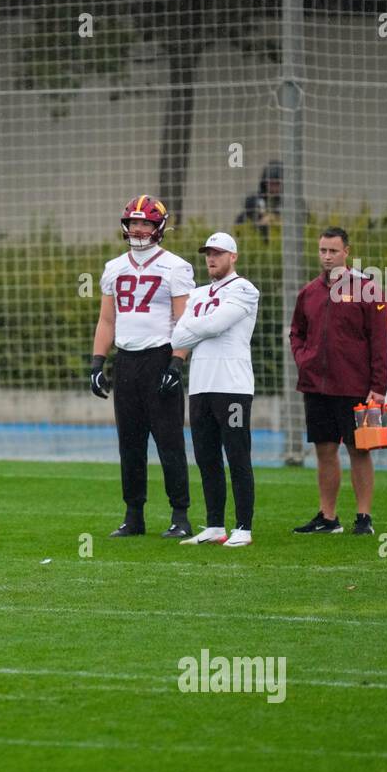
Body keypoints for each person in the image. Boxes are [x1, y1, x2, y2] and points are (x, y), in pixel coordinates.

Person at [89, 194, 196, 539]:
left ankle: (180, 515)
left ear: (159, 227)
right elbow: (107, 320)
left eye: (145, 223)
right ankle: (134, 515)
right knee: (130, 443)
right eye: (134, 222)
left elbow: (184, 321)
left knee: (169, 441)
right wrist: (97, 362)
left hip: (159, 357)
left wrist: (176, 362)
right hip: (128, 361)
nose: (138, 228)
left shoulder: (176, 267)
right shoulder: (114, 268)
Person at [289, 226, 387, 536]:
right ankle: (328, 518)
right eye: (322, 250)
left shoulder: (368, 289)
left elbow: (379, 340)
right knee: (324, 450)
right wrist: (304, 359)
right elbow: (296, 333)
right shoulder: (308, 292)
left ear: (347, 251)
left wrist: (379, 387)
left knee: (360, 451)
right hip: (316, 387)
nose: (327, 256)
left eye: (333, 250)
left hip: (357, 387)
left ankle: (364, 518)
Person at [171, 232, 260, 547]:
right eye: (209, 253)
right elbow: (180, 337)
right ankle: (213, 525)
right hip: (200, 386)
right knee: (206, 456)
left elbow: (215, 325)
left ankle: (244, 527)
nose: (212, 258)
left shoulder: (244, 289)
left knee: (237, 455)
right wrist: (192, 329)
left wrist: (191, 328)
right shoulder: (197, 293)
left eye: (219, 253)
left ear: (233, 257)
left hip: (232, 386)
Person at [235, 161, 283, 241]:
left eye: (277, 183)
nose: (274, 187)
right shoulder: (256, 200)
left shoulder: (291, 203)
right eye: (271, 183)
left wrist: (274, 218)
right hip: (258, 241)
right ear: (265, 183)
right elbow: (239, 226)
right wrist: (259, 219)